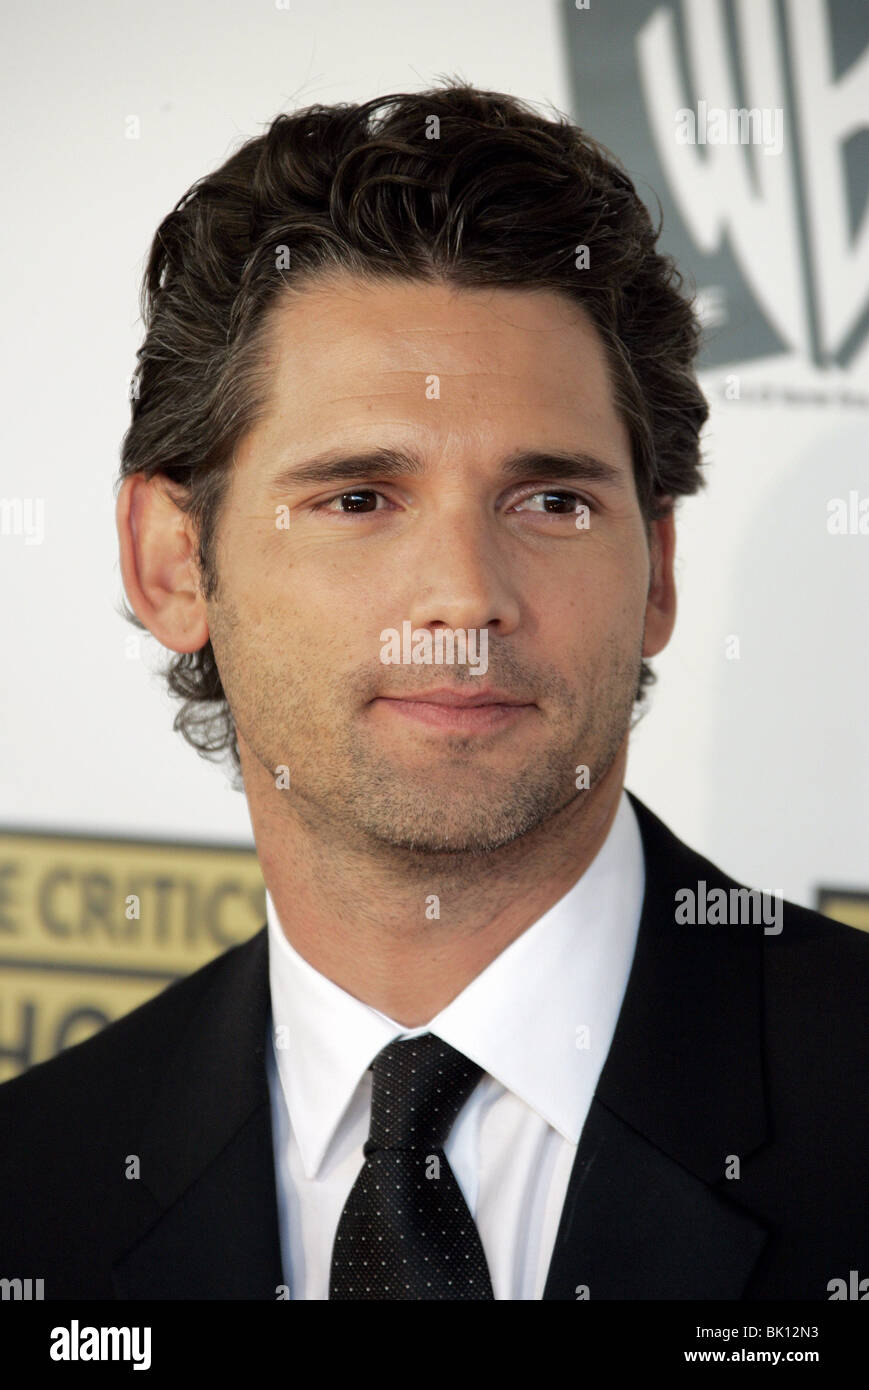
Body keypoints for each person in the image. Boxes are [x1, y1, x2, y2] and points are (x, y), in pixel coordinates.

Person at [0, 83, 865, 1301]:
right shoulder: (34, 1186)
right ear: (171, 562)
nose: (464, 597)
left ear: (657, 568)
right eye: (358, 499)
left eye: (549, 502)